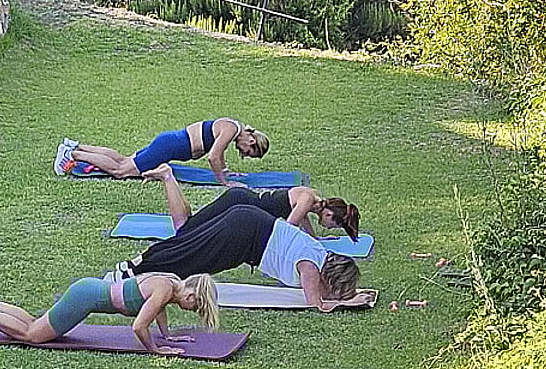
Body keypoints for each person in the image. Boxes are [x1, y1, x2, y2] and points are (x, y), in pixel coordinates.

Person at [110, 204, 366, 312]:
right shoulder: (311, 268)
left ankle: (137, 266)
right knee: (191, 260)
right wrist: (350, 302)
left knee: (190, 250)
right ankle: (131, 273)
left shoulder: (319, 256)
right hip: (244, 234)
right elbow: (316, 304)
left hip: (247, 226)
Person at [0, 273, 219, 356]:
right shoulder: (163, 289)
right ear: (192, 295)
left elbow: (157, 310)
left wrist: (169, 336)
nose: (191, 310)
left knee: (32, 322)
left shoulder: (171, 283)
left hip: (88, 289)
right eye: (195, 306)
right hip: (86, 297)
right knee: (32, 335)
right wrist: (156, 350)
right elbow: (138, 327)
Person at [142, 163, 360, 240]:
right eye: (336, 225)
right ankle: (167, 176)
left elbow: (303, 224)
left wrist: (315, 241)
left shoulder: (311, 200)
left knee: (190, 225)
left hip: (243, 204)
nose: (332, 228)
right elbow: (287, 229)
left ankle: (168, 178)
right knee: (184, 230)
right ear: (330, 214)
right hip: (238, 203)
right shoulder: (307, 200)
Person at [54, 119, 269, 187]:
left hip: (168, 143)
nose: (244, 154)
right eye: (249, 151)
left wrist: (226, 171)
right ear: (251, 140)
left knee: (122, 159)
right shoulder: (232, 129)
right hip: (167, 147)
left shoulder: (233, 128)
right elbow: (213, 156)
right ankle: (73, 156)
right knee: (121, 170)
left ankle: (76, 146)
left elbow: (218, 155)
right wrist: (224, 182)